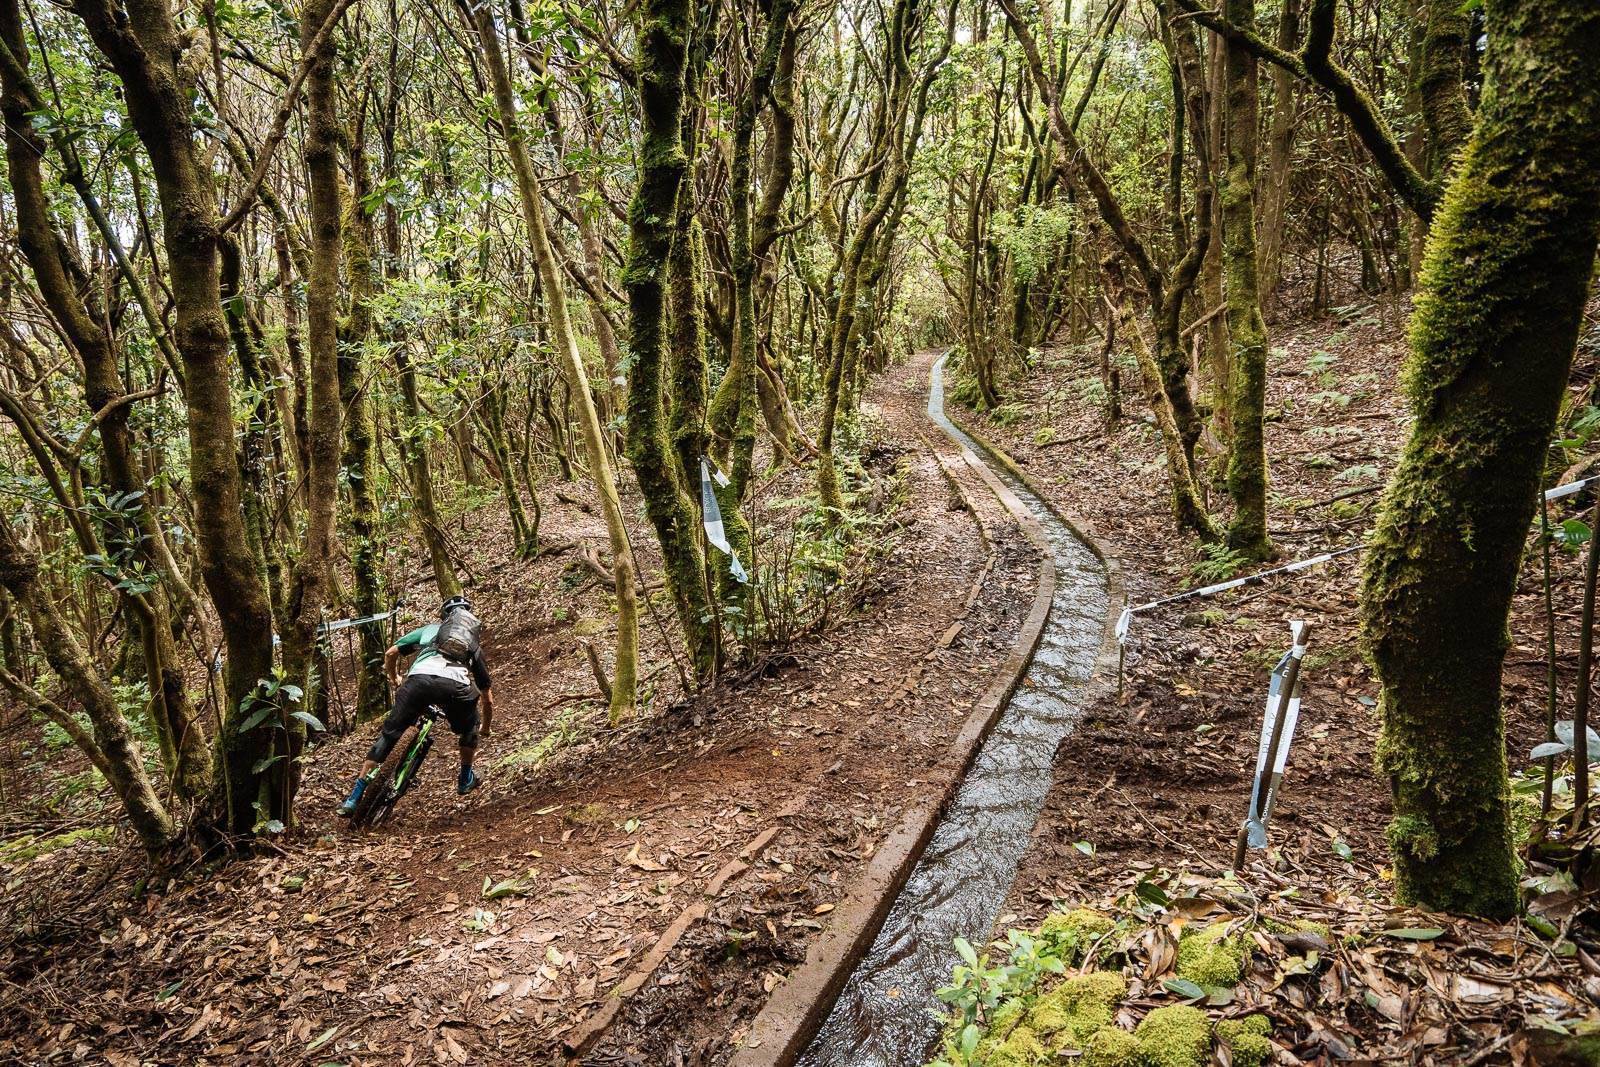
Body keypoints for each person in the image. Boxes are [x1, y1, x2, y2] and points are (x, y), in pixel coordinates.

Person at [337, 595, 495, 817]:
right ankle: (465, 777)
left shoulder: (430, 630)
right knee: (469, 729)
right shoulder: (471, 645)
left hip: (417, 682)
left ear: (443, 617)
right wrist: (485, 728)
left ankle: (354, 797)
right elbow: (487, 697)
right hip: (455, 687)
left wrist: (394, 678)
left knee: (388, 737)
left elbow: (391, 653)